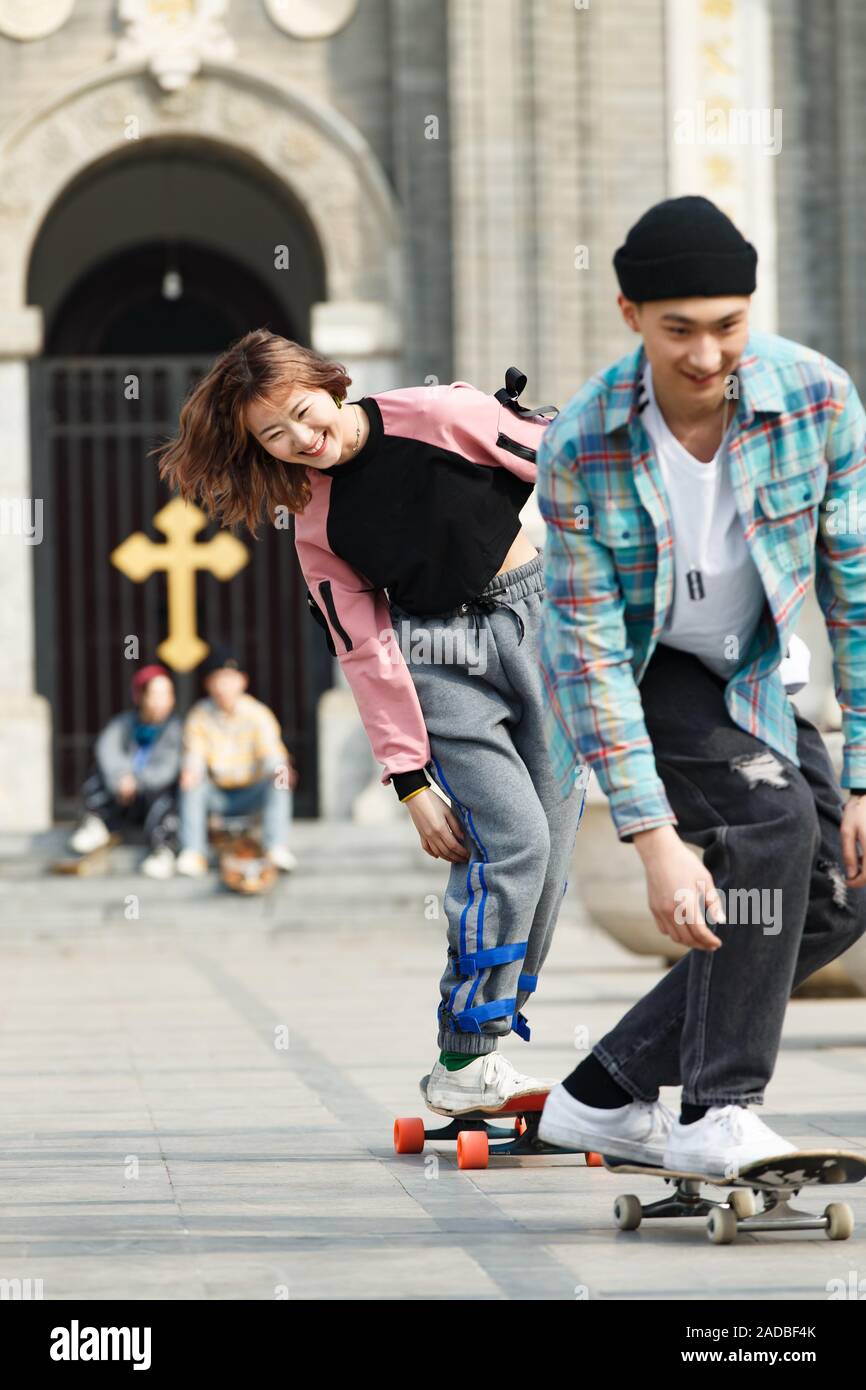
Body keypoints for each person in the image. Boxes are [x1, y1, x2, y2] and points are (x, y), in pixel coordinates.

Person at [155, 332, 589, 1113]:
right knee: (514, 840)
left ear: (327, 384)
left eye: (299, 413)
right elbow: (362, 650)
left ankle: (494, 1032)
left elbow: (568, 467)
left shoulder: (439, 413)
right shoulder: (313, 519)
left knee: (554, 856)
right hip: (438, 661)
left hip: (542, 623)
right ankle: (464, 1056)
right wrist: (410, 780)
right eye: (272, 436)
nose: (298, 439)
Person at [535, 195, 866, 1176]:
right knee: (768, 828)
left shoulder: (815, 399)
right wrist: (653, 839)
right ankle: (713, 1109)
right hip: (648, 669)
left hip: (757, 671)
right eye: (677, 329)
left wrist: (860, 775)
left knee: (836, 893)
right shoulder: (581, 445)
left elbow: (853, 591)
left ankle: (601, 1091)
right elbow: (588, 652)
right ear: (628, 312)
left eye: (726, 325)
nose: (706, 354)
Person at [176, 644, 298, 878]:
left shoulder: (257, 713)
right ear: (208, 684)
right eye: (218, 679)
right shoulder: (199, 716)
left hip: (251, 790)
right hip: (217, 794)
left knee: (280, 779)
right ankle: (193, 852)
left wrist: (279, 769)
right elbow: (195, 756)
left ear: (242, 681)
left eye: (229, 679)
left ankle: (276, 847)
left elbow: (272, 752)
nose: (224, 686)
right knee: (191, 783)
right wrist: (191, 772)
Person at [70, 663, 181, 879]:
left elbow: (167, 769)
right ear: (140, 697)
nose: (162, 701)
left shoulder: (175, 729)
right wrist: (122, 776)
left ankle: (163, 850)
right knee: (96, 775)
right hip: (120, 795)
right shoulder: (123, 724)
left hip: (149, 800)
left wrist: (136, 781)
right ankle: (95, 823)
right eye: (155, 695)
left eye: (167, 694)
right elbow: (107, 750)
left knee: (168, 794)